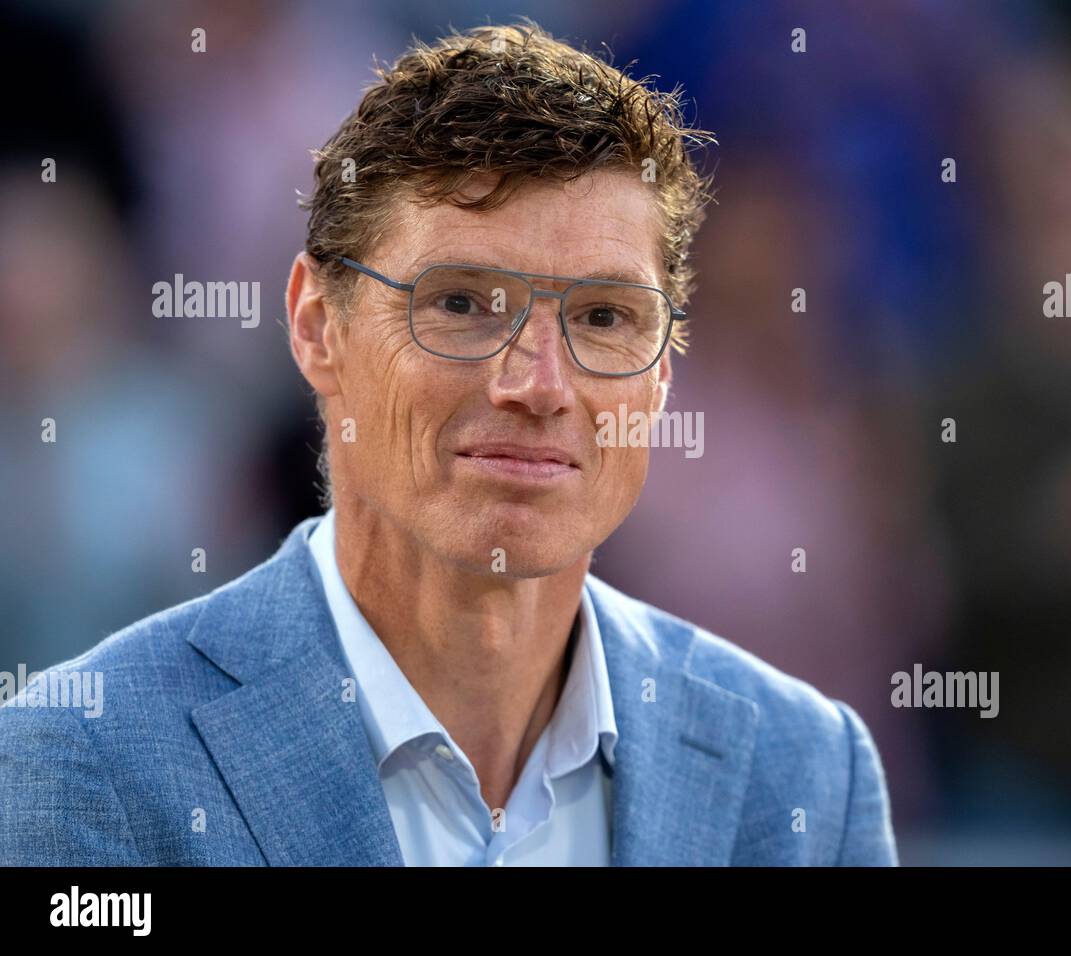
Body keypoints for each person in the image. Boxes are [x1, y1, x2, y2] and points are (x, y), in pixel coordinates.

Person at [0, 20, 896, 867]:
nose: (539, 383)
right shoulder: (86, 765)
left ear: (663, 372)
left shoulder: (805, 776)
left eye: (604, 316)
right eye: (461, 303)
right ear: (318, 328)